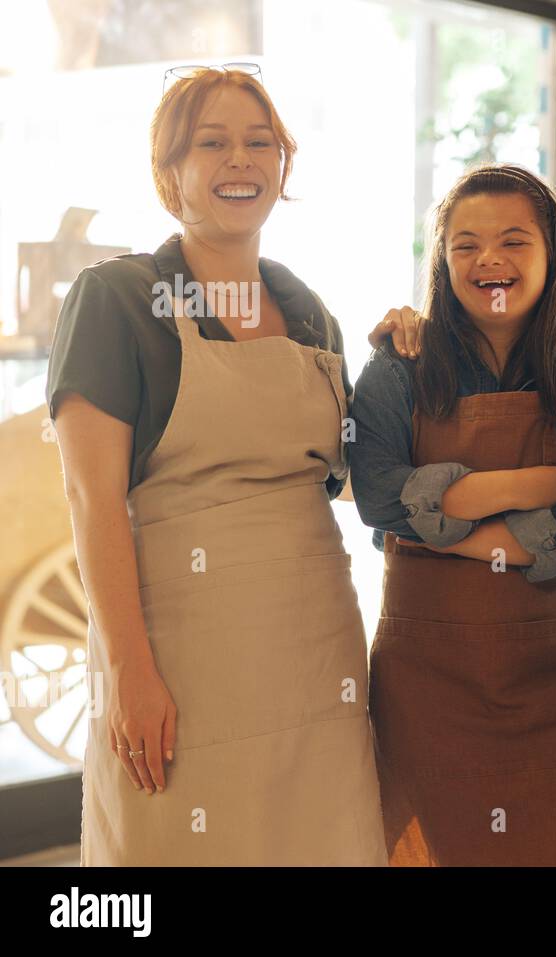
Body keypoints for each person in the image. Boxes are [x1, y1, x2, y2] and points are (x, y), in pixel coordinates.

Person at [46, 66, 413, 865]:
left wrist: (410, 353)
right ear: (167, 170)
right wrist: (129, 673)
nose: (240, 161)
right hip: (179, 660)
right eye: (211, 143)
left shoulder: (310, 308)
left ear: (283, 166)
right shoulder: (116, 299)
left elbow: (357, 477)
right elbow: (90, 498)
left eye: (260, 143)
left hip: (316, 653)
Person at [350, 164, 556, 866]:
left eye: (513, 241)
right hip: (429, 682)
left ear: (553, 252)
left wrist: (439, 522)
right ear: (442, 257)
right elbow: (375, 495)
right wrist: (528, 484)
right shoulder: (399, 364)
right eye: (465, 243)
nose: (488, 260)